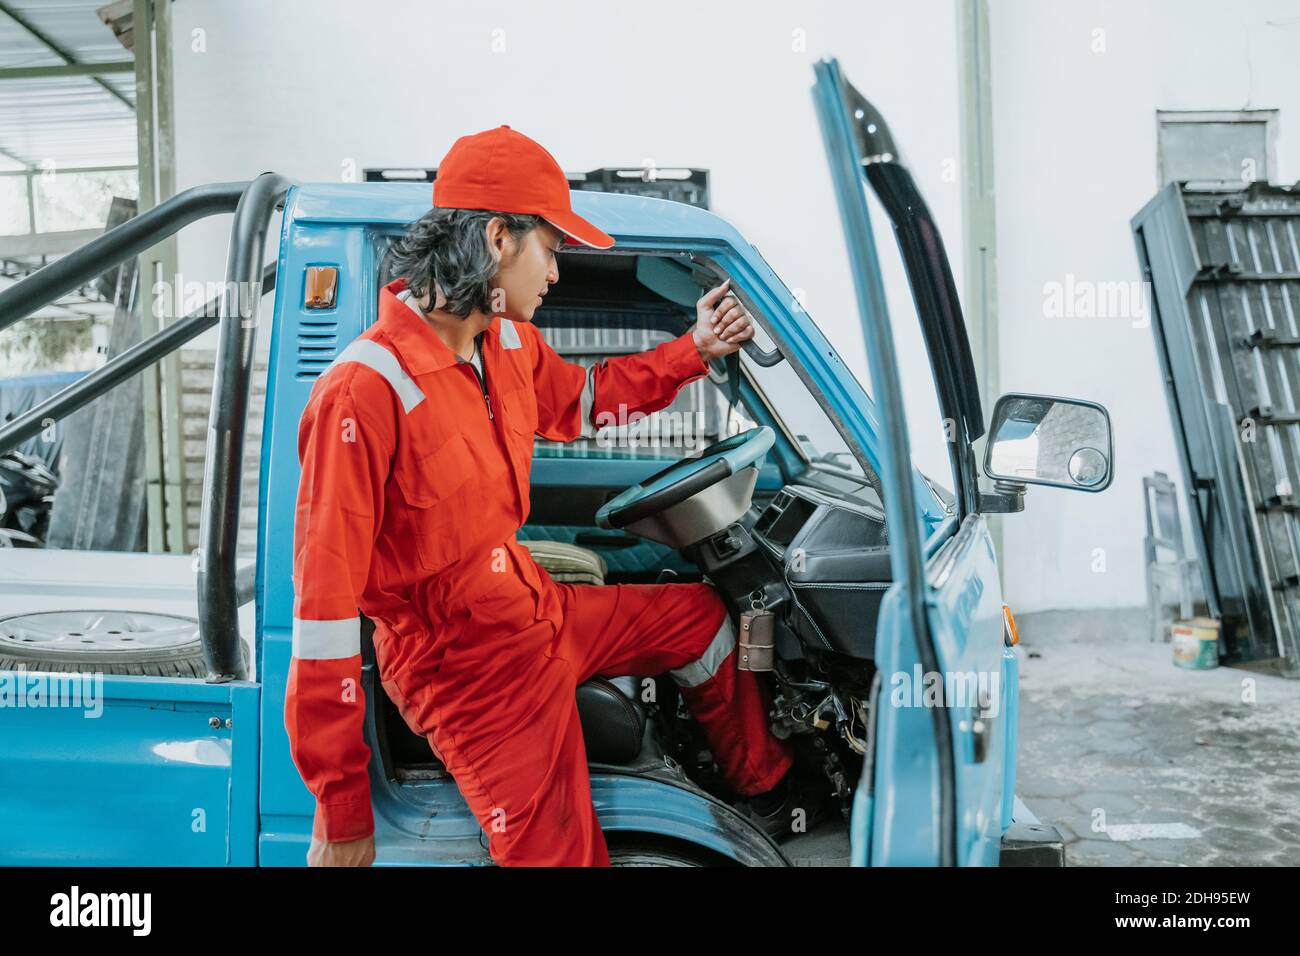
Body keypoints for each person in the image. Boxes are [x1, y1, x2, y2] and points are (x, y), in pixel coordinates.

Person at [286, 125, 801, 867]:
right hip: (466, 672)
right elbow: (323, 617)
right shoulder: (364, 394)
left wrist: (694, 353)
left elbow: (589, 400)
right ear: (498, 237)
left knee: (697, 620)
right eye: (553, 247)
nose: (556, 273)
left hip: (535, 610)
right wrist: (340, 803)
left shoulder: (508, 345)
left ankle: (771, 793)